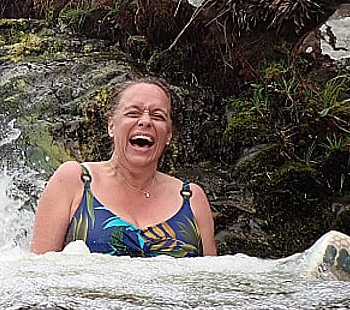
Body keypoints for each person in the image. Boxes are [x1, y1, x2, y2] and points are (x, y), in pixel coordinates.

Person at [30, 77, 217, 257]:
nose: (145, 121)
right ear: (111, 126)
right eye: (133, 113)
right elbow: (38, 274)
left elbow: (209, 281)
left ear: (168, 134)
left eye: (158, 116)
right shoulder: (74, 180)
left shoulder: (192, 199)